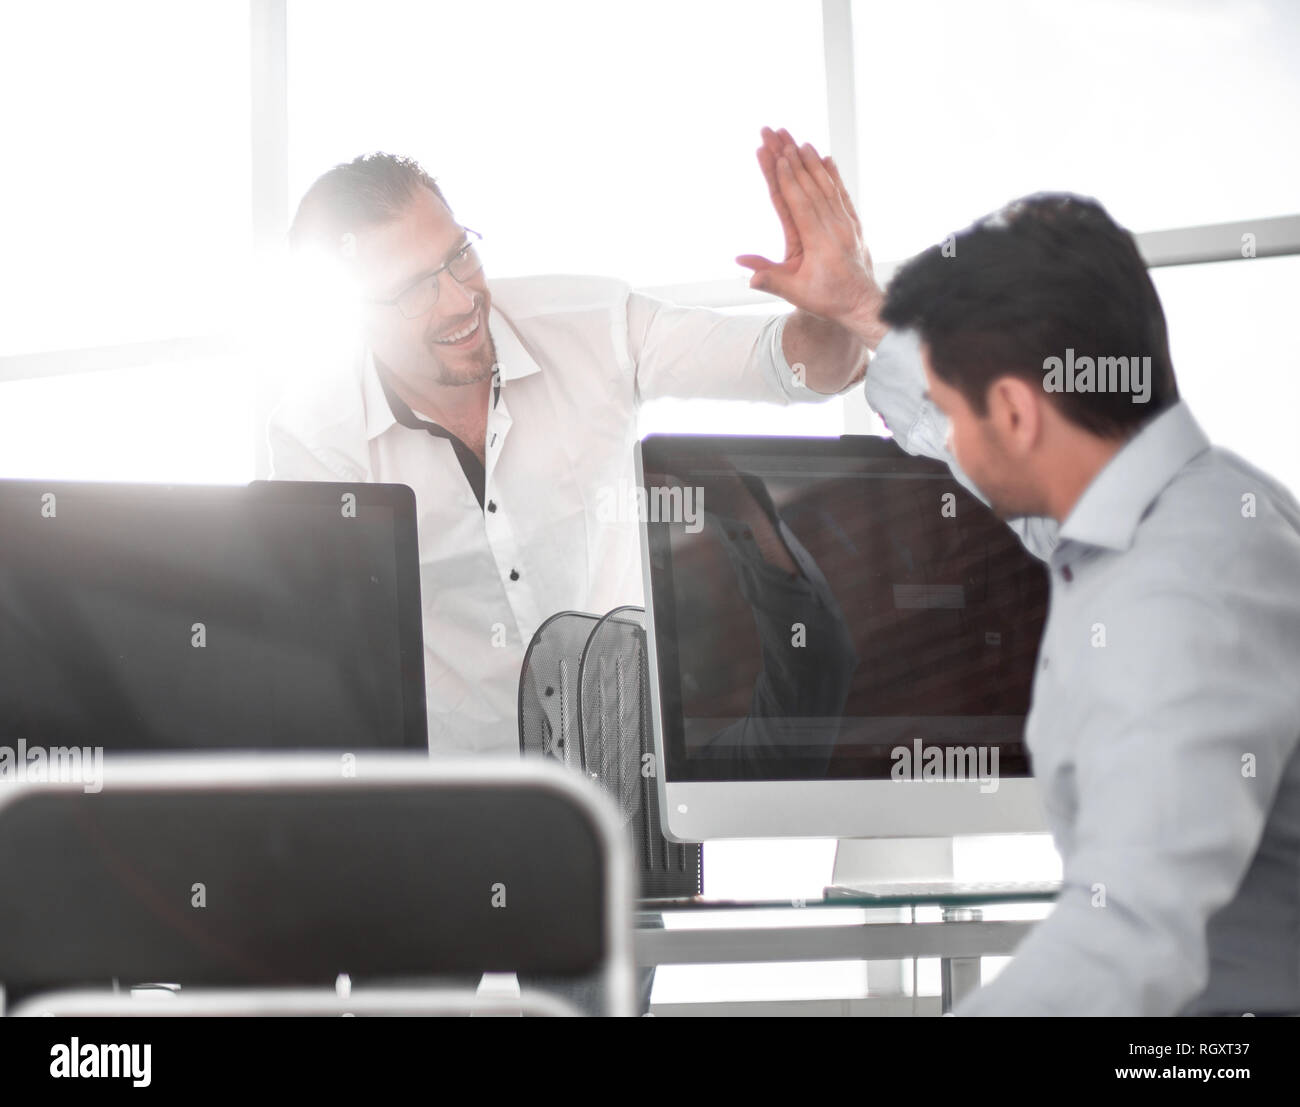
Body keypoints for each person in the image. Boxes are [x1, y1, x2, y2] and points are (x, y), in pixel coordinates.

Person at [754, 134, 1300, 1015]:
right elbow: (966, 447)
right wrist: (861, 304)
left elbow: (1131, 940)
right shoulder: (1149, 513)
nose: (948, 443)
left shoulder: (1184, 589)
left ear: (1015, 410)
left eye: (962, 410)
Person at [269, 132, 867, 755]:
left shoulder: (594, 324)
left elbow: (796, 368)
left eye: (458, 256)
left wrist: (836, 307)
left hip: (633, 788)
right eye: (416, 288)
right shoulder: (317, 439)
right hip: (464, 810)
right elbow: (338, 672)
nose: (459, 300)